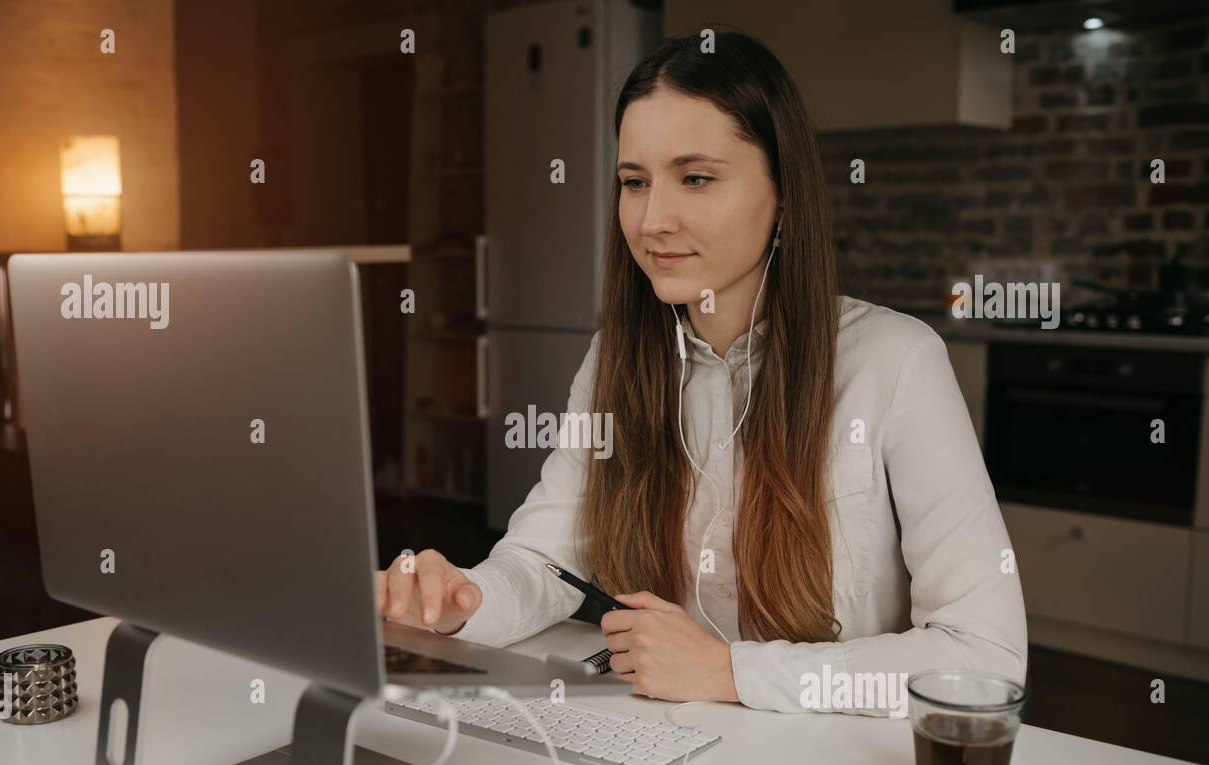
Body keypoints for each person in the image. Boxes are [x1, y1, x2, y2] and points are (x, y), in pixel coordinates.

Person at [375, 31, 1027, 713]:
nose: (653, 220)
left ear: (785, 193)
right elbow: (546, 562)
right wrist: (463, 599)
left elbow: (986, 654)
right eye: (634, 183)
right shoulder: (614, 359)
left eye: (696, 178)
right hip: (678, 748)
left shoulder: (897, 361)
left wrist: (729, 672)